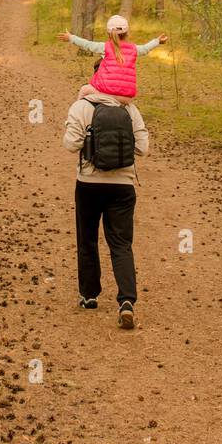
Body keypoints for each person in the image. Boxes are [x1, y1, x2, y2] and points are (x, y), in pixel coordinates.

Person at [62, 78, 149, 329]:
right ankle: (126, 301)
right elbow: (143, 148)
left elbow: (70, 144)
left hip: (88, 183)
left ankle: (89, 296)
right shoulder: (130, 109)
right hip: (123, 186)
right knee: (121, 243)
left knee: (87, 238)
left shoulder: (81, 106)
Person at [58, 13, 167, 101]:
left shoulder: (105, 47)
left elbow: (87, 45)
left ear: (108, 33)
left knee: (84, 90)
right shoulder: (134, 48)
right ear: (127, 33)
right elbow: (145, 48)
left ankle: (74, 122)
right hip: (126, 98)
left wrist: (71, 38)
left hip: (105, 93)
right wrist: (157, 41)